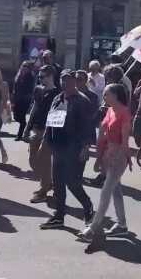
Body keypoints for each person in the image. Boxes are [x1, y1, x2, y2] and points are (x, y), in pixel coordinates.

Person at [77, 84, 132, 242]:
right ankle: (122, 225)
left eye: (107, 94)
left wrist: (119, 157)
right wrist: (99, 158)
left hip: (118, 157)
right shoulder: (109, 110)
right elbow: (103, 135)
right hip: (108, 154)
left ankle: (93, 229)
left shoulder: (124, 113)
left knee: (106, 191)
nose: (104, 97)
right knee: (116, 191)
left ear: (115, 95)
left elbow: (125, 141)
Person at [41, 71, 94, 230]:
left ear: (75, 82)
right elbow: (50, 121)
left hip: (75, 149)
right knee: (57, 184)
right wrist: (45, 142)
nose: (65, 84)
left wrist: (85, 147)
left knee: (73, 183)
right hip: (58, 147)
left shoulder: (82, 101)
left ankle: (88, 208)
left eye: (69, 81)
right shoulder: (58, 98)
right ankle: (59, 217)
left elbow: (88, 127)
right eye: (63, 81)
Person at [28, 66, 60, 204]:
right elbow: (35, 108)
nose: (40, 79)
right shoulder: (39, 89)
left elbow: (56, 116)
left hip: (48, 131)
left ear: (51, 76)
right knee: (33, 160)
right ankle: (48, 183)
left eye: (43, 77)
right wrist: (27, 128)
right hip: (36, 129)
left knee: (44, 160)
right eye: (39, 77)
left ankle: (43, 190)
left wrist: (48, 135)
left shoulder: (58, 93)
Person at [12, 61, 36, 142]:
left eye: (26, 66)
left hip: (25, 99)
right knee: (16, 117)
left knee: (21, 116)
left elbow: (31, 88)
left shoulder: (30, 76)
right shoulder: (18, 75)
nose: (24, 67)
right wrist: (13, 98)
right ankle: (25, 125)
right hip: (17, 98)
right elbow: (15, 87)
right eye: (23, 66)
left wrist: (29, 97)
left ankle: (19, 135)